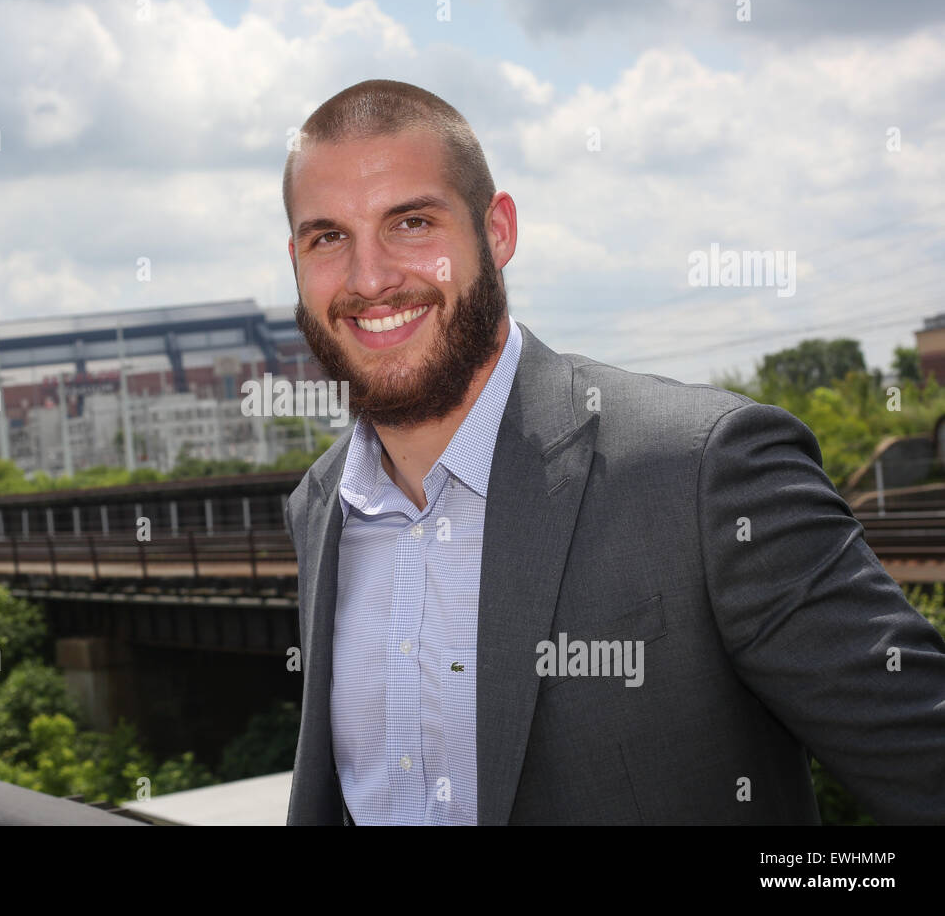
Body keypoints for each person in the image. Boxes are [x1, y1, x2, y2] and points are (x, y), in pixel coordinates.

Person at [280, 78, 945, 825]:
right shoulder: (320, 504)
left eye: (410, 222)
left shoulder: (703, 470)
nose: (370, 279)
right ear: (297, 261)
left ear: (496, 231)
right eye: (329, 236)